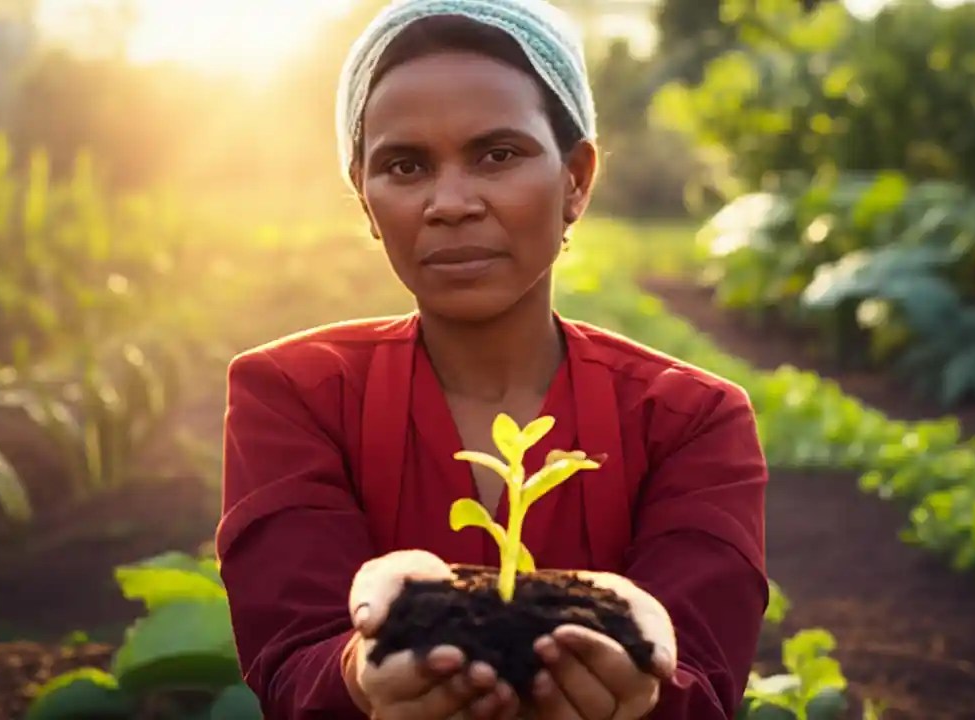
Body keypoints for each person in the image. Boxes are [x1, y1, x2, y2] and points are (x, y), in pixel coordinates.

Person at [215, 0, 770, 718]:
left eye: (497, 155)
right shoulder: (293, 393)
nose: (450, 202)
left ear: (575, 179)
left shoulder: (690, 418)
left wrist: (637, 687)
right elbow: (294, 664)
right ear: (364, 197)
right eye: (405, 165)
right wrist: (360, 669)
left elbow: (699, 681)